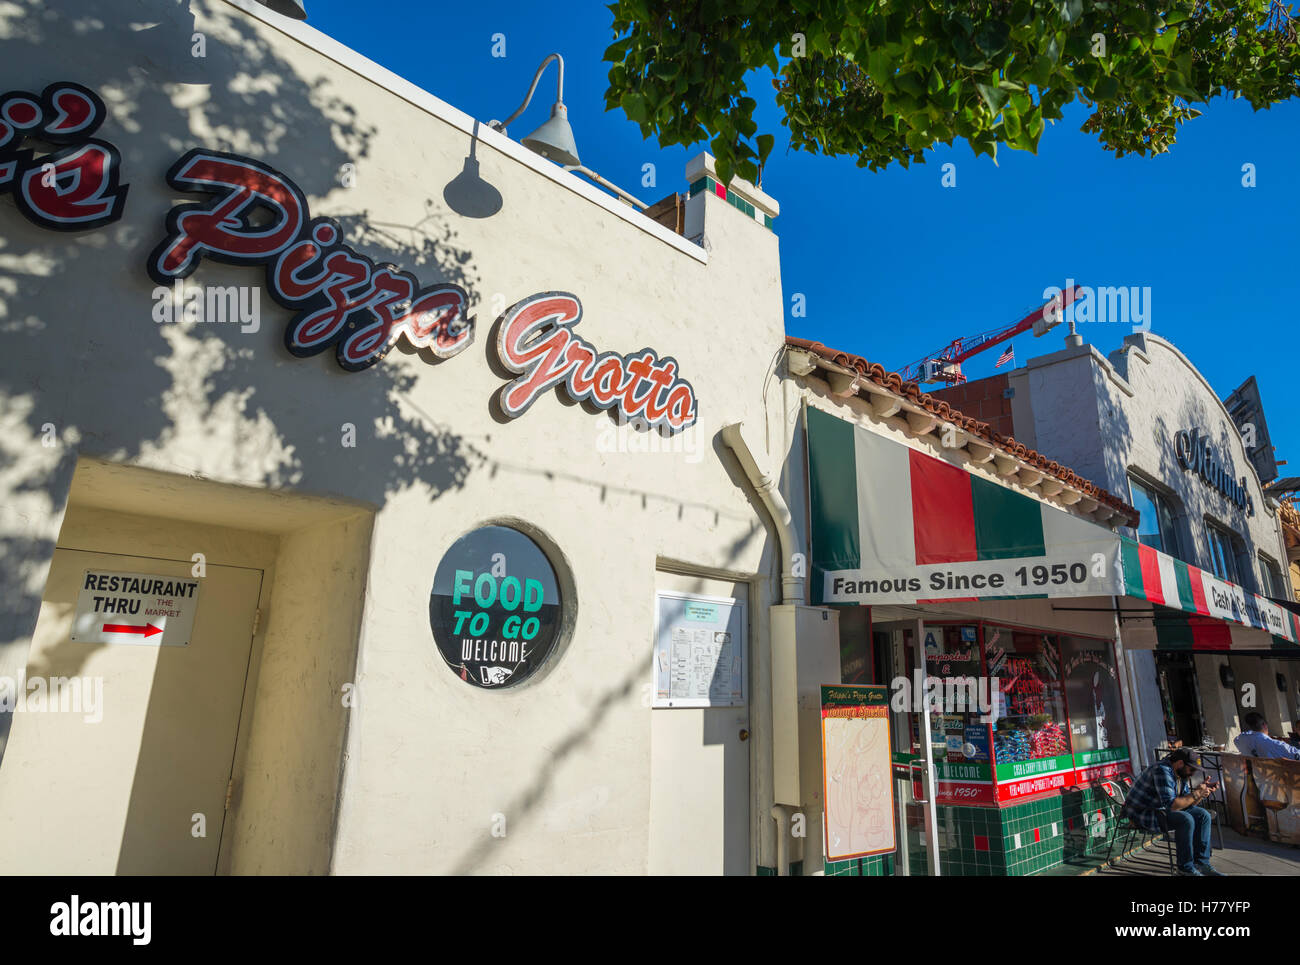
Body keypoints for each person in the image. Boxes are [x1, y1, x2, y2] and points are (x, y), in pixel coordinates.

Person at [1124, 748, 1224, 876]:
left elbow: (1187, 803)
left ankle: (1201, 864)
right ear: (1180, 763)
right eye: (1191, 769)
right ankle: (1185, 868)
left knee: (1203, 815)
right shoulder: (1162, 770)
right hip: (1144, 814)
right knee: (1185, 819)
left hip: (1161, 810)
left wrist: (1201, 794)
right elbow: (1172, 805)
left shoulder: (1180, 773)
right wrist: (1196, 793)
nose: (1192, 773)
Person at [1234, 712, 1300, 761]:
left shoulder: (1241, 740)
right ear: (1264, 725)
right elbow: (1297, 755)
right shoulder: (1276, 745)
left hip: (1259, 776)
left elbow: (1238, 738)